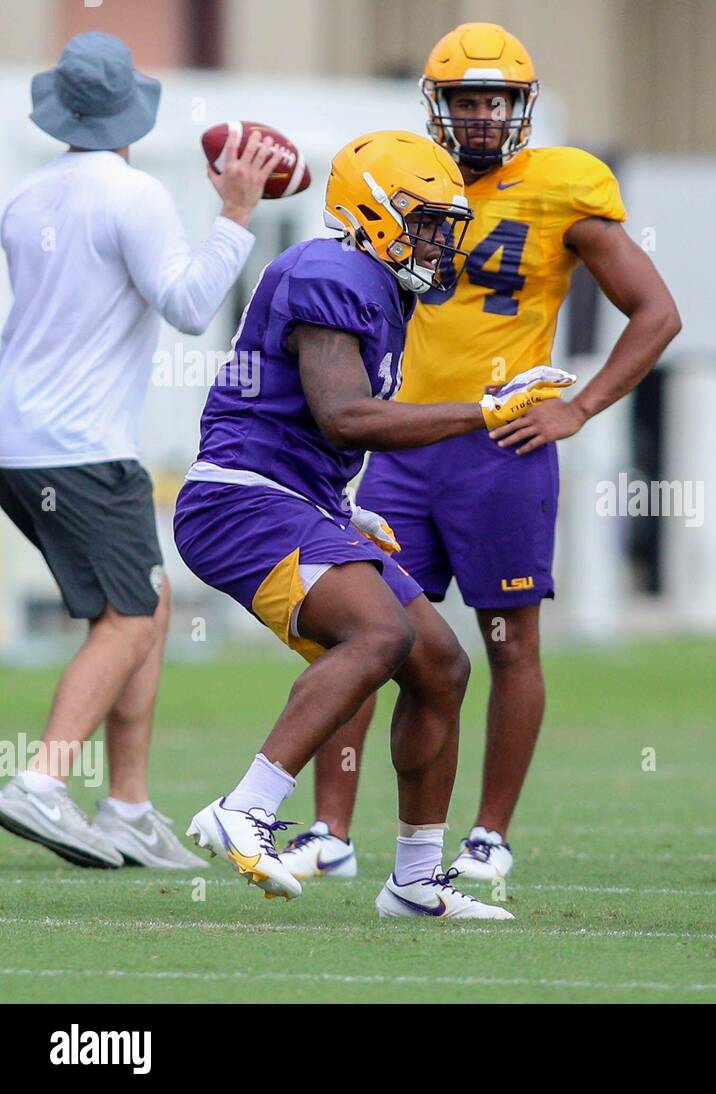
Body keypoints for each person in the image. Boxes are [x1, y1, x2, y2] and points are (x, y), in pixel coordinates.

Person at [280, 22, 680, 885]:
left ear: (521, 107)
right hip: (402, 443)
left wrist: (580, 408)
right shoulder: (399, 181)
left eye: (495, 100)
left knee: (507, 644)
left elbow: (656, 313)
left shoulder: (563, 188)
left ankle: (490, 834)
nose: (482, 117)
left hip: (503, 446)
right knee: (362, 636)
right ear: (439, 107)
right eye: (467, 100)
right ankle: (330, 829)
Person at [175, 129, 573, 916]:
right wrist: (485, 410)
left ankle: (417, 879)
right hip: (240, 498)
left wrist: (348, 509)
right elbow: (347, 418)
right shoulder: (333, 269)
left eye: (445, 226)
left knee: (440, 665)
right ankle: (245, 807)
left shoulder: (377, 287)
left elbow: (312, 425)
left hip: (297, 497)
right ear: (372, 213)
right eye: (425, 222)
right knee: (378, 636)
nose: (439, 241)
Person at [0, 32, 278, 869]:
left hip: (24, 443)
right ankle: (41, 782)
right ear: (128, 111)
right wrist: (236, 214)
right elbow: (191, 306)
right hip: (82, 446)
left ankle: (126, 806)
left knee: (145, 608)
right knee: (127, 620)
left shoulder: (25, 197)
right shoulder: (134, 193)